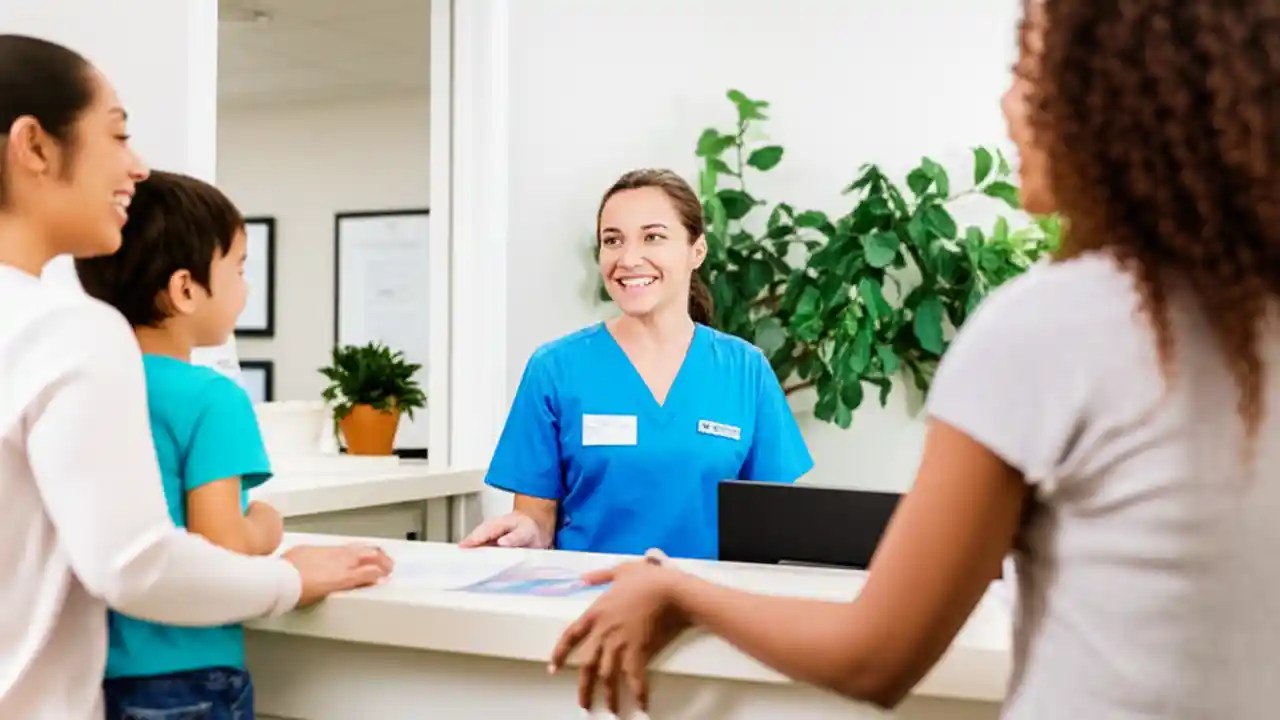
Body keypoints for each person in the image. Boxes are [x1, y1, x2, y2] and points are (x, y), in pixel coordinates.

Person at [550, 1, 1280, 717]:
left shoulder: (1047, 329)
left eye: (1029, 78)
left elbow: (873, 655)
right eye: (613, 240)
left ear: (1112, 102)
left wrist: (674, 591)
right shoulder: (1249, 323)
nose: (1005, 105)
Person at [0, 34, 392, 720]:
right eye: (117, 135)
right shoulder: (70, 332)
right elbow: (134, 565)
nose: (136, 166)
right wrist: (287, 578)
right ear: (34, 146)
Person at [460, 168, 813, 560]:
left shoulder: (746, 370)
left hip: (708, 609)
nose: (628, 259)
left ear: (697, 250)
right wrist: (523, 533)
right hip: (589, 605)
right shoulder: (555, 370)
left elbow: (773, 526)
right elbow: (537, 519)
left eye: (653, 237)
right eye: (613, 240)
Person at [74, 170, 291, 718]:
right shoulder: (212, 398)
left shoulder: (89, 382)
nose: (247, 288)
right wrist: (266, 525)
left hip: (96, 671)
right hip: (190, 672)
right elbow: (224, 542)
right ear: (185, 289)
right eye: (239, 269)